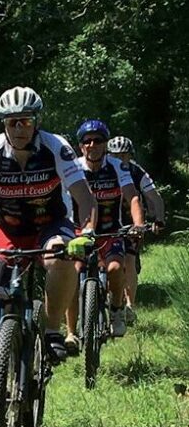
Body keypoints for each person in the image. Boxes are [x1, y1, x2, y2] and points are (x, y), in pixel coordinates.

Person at [0, 86, 96, 427]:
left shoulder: (57, 146)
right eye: (12, 122)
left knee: (58, 258)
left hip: (51, 224)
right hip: (9, 231)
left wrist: (85, 232)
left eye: (25, 121)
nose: (19, 128)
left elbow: (83, 197)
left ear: (36, 122)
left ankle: (52, 328)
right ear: (4, 123)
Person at [65, 121, 144, 346]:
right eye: (87, 141)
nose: (92, 145)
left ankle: (117, 310)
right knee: (73, 272)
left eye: (98, 140)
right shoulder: (73, 168)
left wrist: (138, 224)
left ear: (105, 144)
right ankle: (71, 332)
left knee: (116, 268)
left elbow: (133, 197)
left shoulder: (118, 167)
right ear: (81, 146)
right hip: (80, 230)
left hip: (111, 230)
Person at [107, 135, 165, 324]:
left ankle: (130, 306)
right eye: (115, 155)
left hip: (131, 222)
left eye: (124, 156)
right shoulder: (103, 169)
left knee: (129, 259)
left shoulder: (137, 172)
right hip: (107, 221)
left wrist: (159, 219)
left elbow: (153, 197)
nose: (120, 160)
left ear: (130, 156)